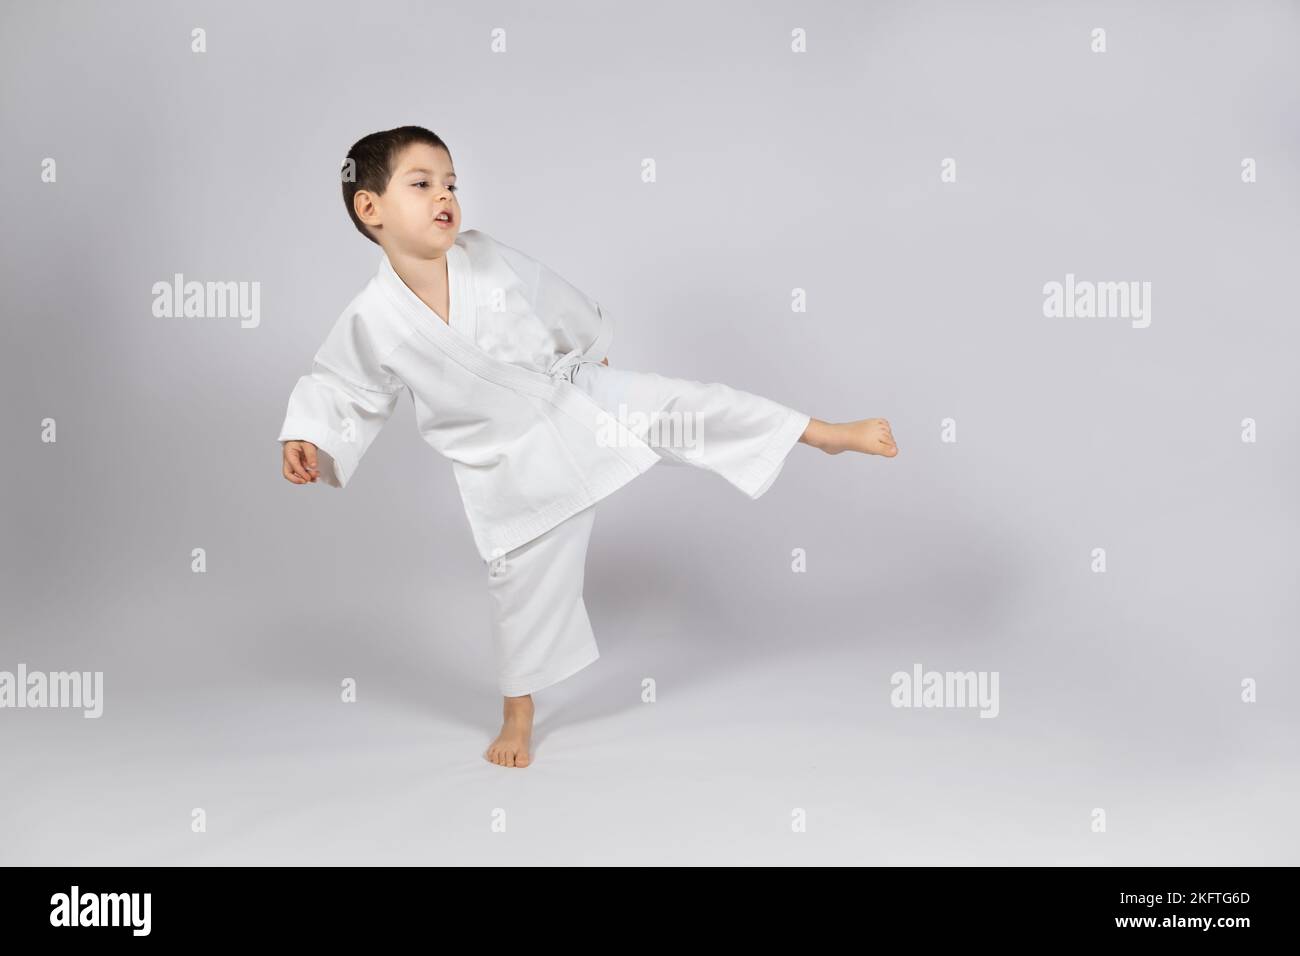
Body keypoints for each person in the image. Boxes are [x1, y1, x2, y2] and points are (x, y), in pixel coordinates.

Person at [279, 126, 898, 768]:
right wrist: (312, 433)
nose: (445, 196)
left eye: (451, 183)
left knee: (680, 404)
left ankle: (816, 432)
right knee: (519, 581)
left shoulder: (483, 256)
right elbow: (343, 383)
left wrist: (588, 337)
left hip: (569, 393)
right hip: (505, 458)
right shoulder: (372, 318)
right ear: (370, 208)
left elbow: (545, 291)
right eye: (422, 183)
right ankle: (518, 712)